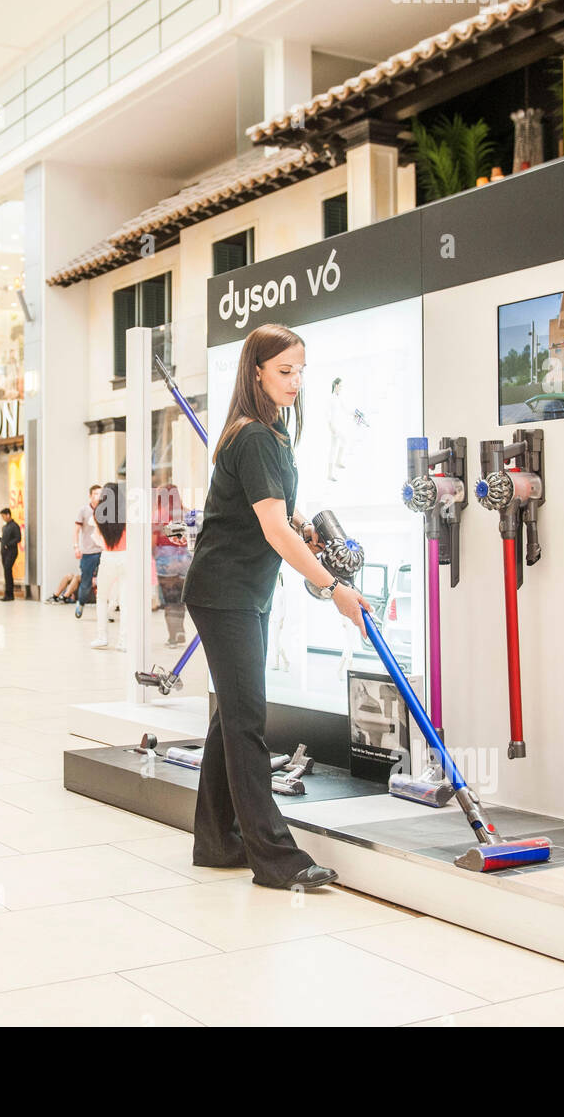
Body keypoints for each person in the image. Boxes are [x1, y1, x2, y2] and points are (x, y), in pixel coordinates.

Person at [182, 322, 371, 891]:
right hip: (226, 593)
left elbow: (277, 518)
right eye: (285, 371)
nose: (296, 382)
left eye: (301, 371)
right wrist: (331, 588)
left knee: (231, 718)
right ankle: (275, 859)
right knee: (246, 722)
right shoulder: (257, 436)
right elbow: (272, 530)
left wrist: (301, 526)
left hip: (244, 592)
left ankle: (218, 842)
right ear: (257, 371)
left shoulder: (268, 430)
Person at [152, 482, 190, 647]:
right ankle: (180, 630)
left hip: (165, 560)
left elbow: (153, 542)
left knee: (170, 599)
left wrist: (152, 556)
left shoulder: (158, 515)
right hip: (184, 559)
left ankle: (173, 637)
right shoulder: (186, 513)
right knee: (180, 598)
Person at [90, 482, 126, 651]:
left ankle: (102, 636)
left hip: (108, 556)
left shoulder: (98, 514)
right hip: (127, 557)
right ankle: (123, 641)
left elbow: (97, 539)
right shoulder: (127, 513)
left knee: (102, 597)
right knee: (126, 600)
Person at [73, 485, 102, 618]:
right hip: (88, 553)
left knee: (104, 582)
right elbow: (76, 530)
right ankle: (81, 603)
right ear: (90, 496)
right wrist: (76, 547)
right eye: (95, 493)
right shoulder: (83, 510)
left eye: (100, 494)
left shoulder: (105, 510)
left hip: (103, 551)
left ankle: (105, 611)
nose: (98, 496)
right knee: (86, 582)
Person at [0, 507, 21, 601]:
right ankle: (7, 594)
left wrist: (8, 545)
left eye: (3, 516)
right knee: (6, 573)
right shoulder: (5, 527)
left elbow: (18, 538)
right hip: (4, 553)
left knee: (8, 570)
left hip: (11, 552)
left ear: (8, 515)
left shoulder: (14, 526)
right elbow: (3, 541)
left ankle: (10, 594)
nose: (3, 518)